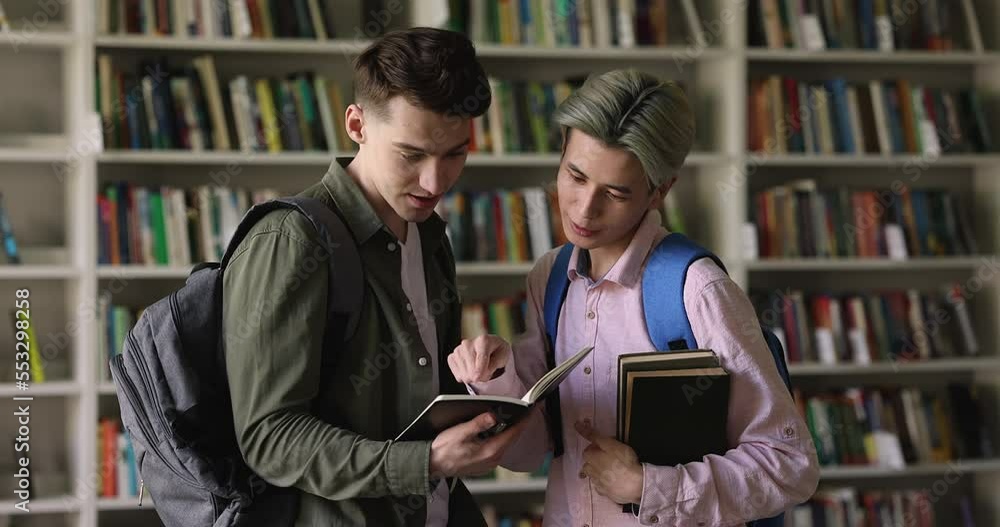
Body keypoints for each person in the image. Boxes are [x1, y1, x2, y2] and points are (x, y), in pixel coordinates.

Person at [448, 69, 820, 526]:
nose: (584, 209)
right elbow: (528, 454)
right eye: (575, 175)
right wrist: (496, 381)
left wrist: (648, 487)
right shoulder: (551, 278)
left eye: (616, 193)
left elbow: (791, 466)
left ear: (659, 191)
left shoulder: (697, 289)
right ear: (562, 151)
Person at [222, 27, 529, 527]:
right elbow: (268, 437)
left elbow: (418, 404)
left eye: (455, 154)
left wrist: (480, 378)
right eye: (412, 155)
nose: (435, 182)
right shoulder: (291, 240)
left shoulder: (430, 237)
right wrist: (424, 464)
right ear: (357, 124)